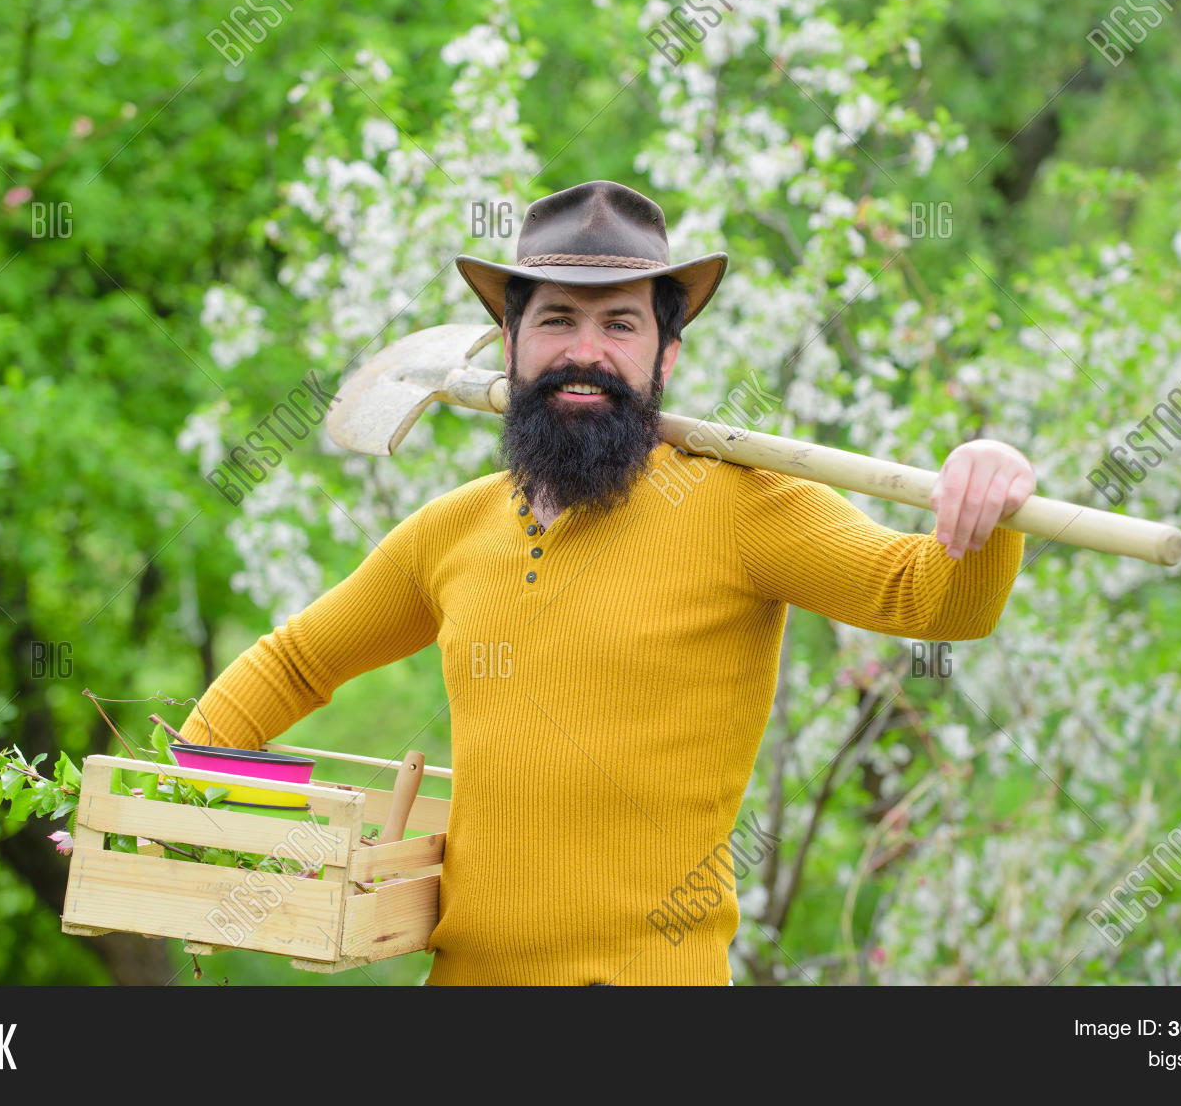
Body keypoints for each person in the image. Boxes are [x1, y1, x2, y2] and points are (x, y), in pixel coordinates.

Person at [181, 180, 1035, 985]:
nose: (584, 352)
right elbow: (293, 663)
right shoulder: (452, 530)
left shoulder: (745, 509)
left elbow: (935, 599)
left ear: (666, 356)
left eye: (620, 325)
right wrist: (161, 808)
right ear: (510, 344)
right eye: (556, 320)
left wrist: (987, 493)